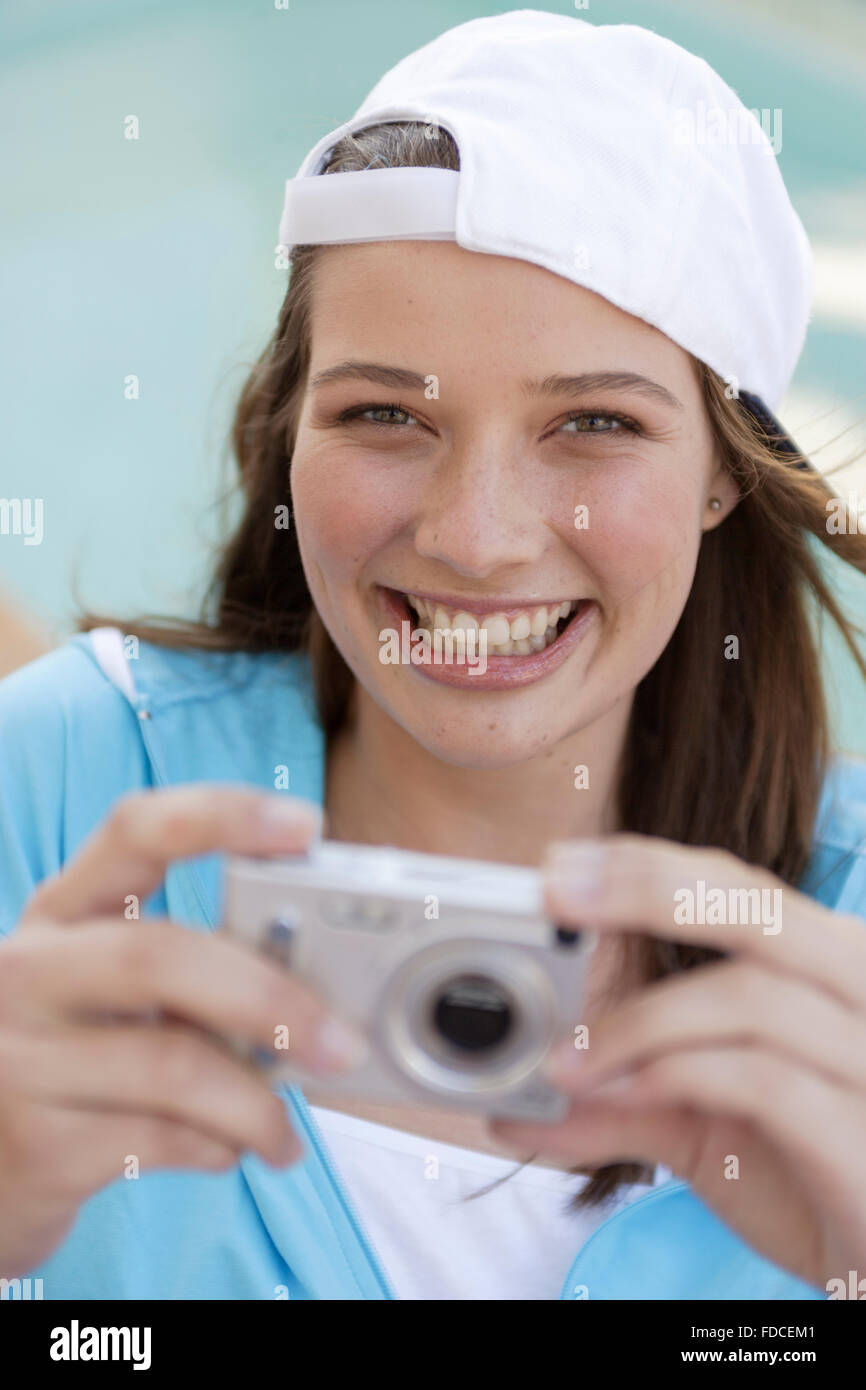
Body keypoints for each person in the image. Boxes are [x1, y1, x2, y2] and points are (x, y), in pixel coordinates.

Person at [0, 10, 864, 1301]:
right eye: (385, 413)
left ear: (720, 479)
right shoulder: (55, 788)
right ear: (291, 427)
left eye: (590, 421)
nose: (475, 537)